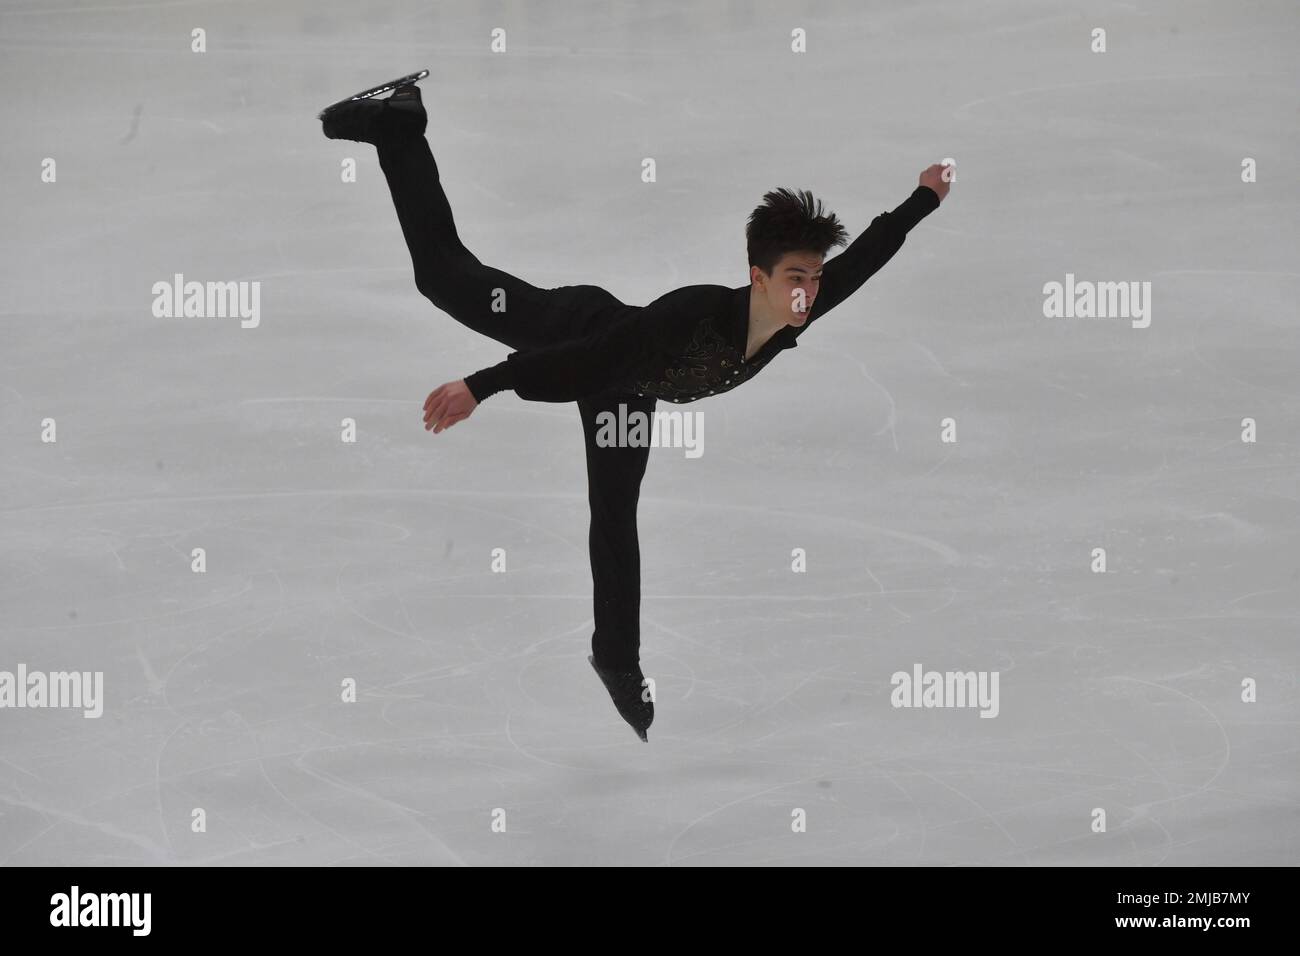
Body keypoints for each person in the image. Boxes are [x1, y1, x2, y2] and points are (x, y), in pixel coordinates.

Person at [319, 73, 951, 742]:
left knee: (615, 514)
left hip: (629, 389)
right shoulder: (692, 316)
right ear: (758, 277)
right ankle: (398, 125)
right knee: (443, 276)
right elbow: (587, 362)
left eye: (814, 277)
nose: (809, 292)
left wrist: (925, 197)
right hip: (581, 330)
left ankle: (616, 660)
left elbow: (872, 252)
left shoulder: (800, 310)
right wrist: (483, 384)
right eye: (796, 277)